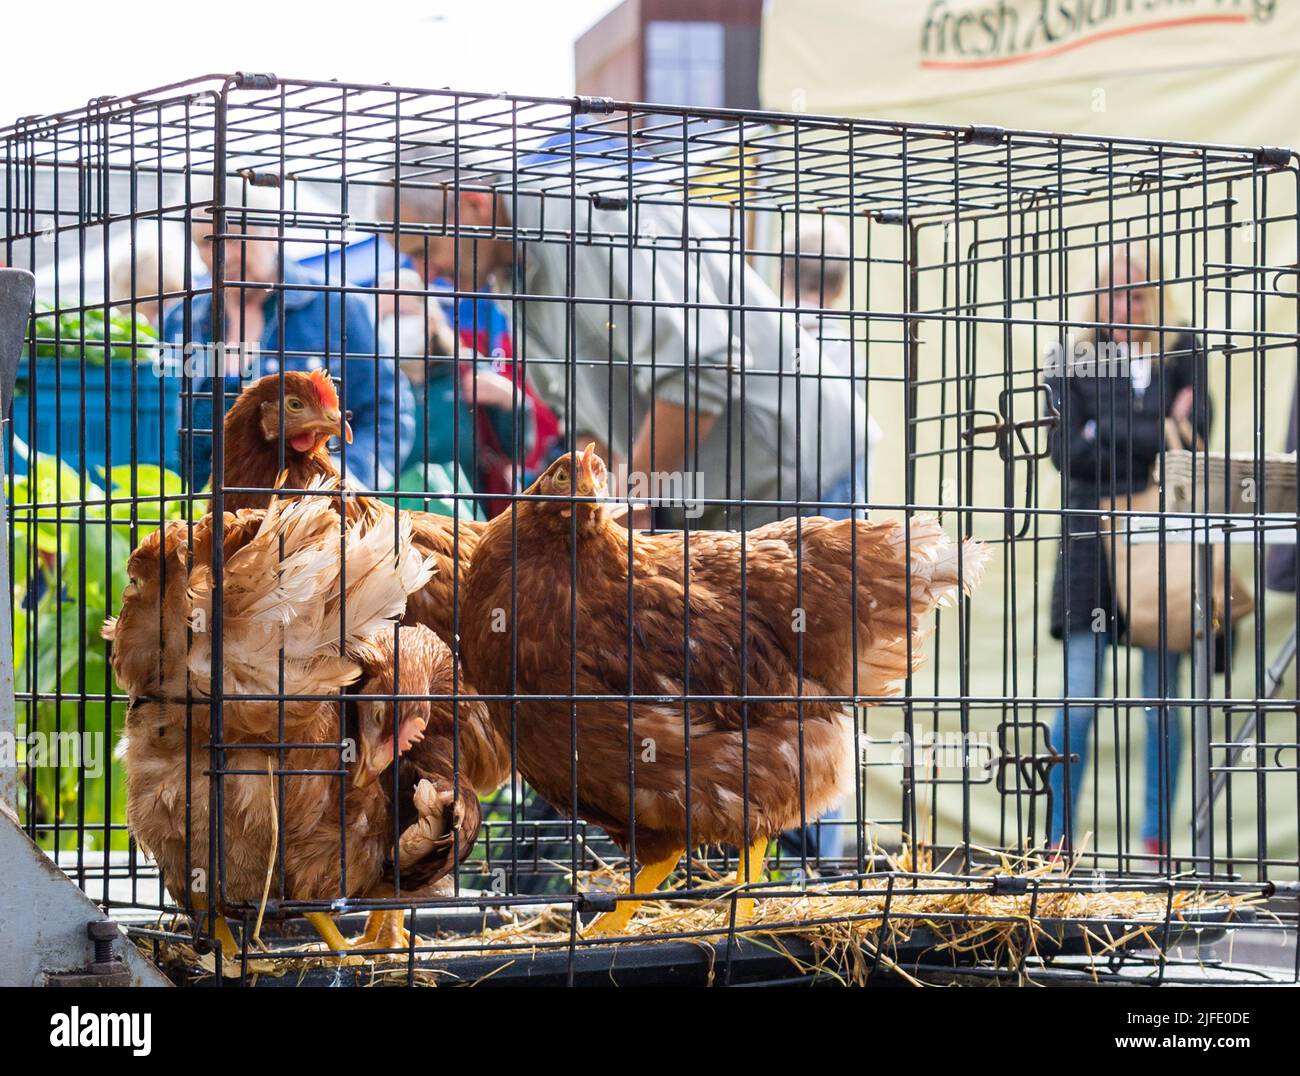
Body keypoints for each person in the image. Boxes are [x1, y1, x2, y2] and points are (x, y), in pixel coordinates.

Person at [387, 136, 869, 530]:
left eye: (425, 251)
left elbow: (700, 368)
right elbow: (587, 420)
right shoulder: (505, 275)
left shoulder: (589, 212)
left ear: (473, 202)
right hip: (722, 505)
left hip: (802, 480)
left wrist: (629, 503)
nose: (425, 275)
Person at [1045, 245, 1210, 858]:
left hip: (1162, 547)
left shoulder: (1183, 352)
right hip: (1091, 548)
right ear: (1097, 299)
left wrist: (1104, 430)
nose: (1126, 305)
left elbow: (1198, 439)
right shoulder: (1071, 359)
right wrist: (1159, 429)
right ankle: (1057, 846)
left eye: (1137, 293)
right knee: (1079, 702)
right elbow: (1068, 453)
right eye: (1115, 293)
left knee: (1162, 703)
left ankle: (1156, 841)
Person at [162, 183, 414, 495]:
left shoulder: (338, 307)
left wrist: (344, 480)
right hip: (193, 508)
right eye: (207, 242)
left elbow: (388, 410)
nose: (225, 254)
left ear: (272, 232)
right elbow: (157, 419)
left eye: (237, 236)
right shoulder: (181, 319)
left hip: (302, 508)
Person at [780, 218, 882, 521]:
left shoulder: (765, 337)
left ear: (783, 275)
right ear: (840, 286)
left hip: (776, 486)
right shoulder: (845, 351)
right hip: (834, 490)